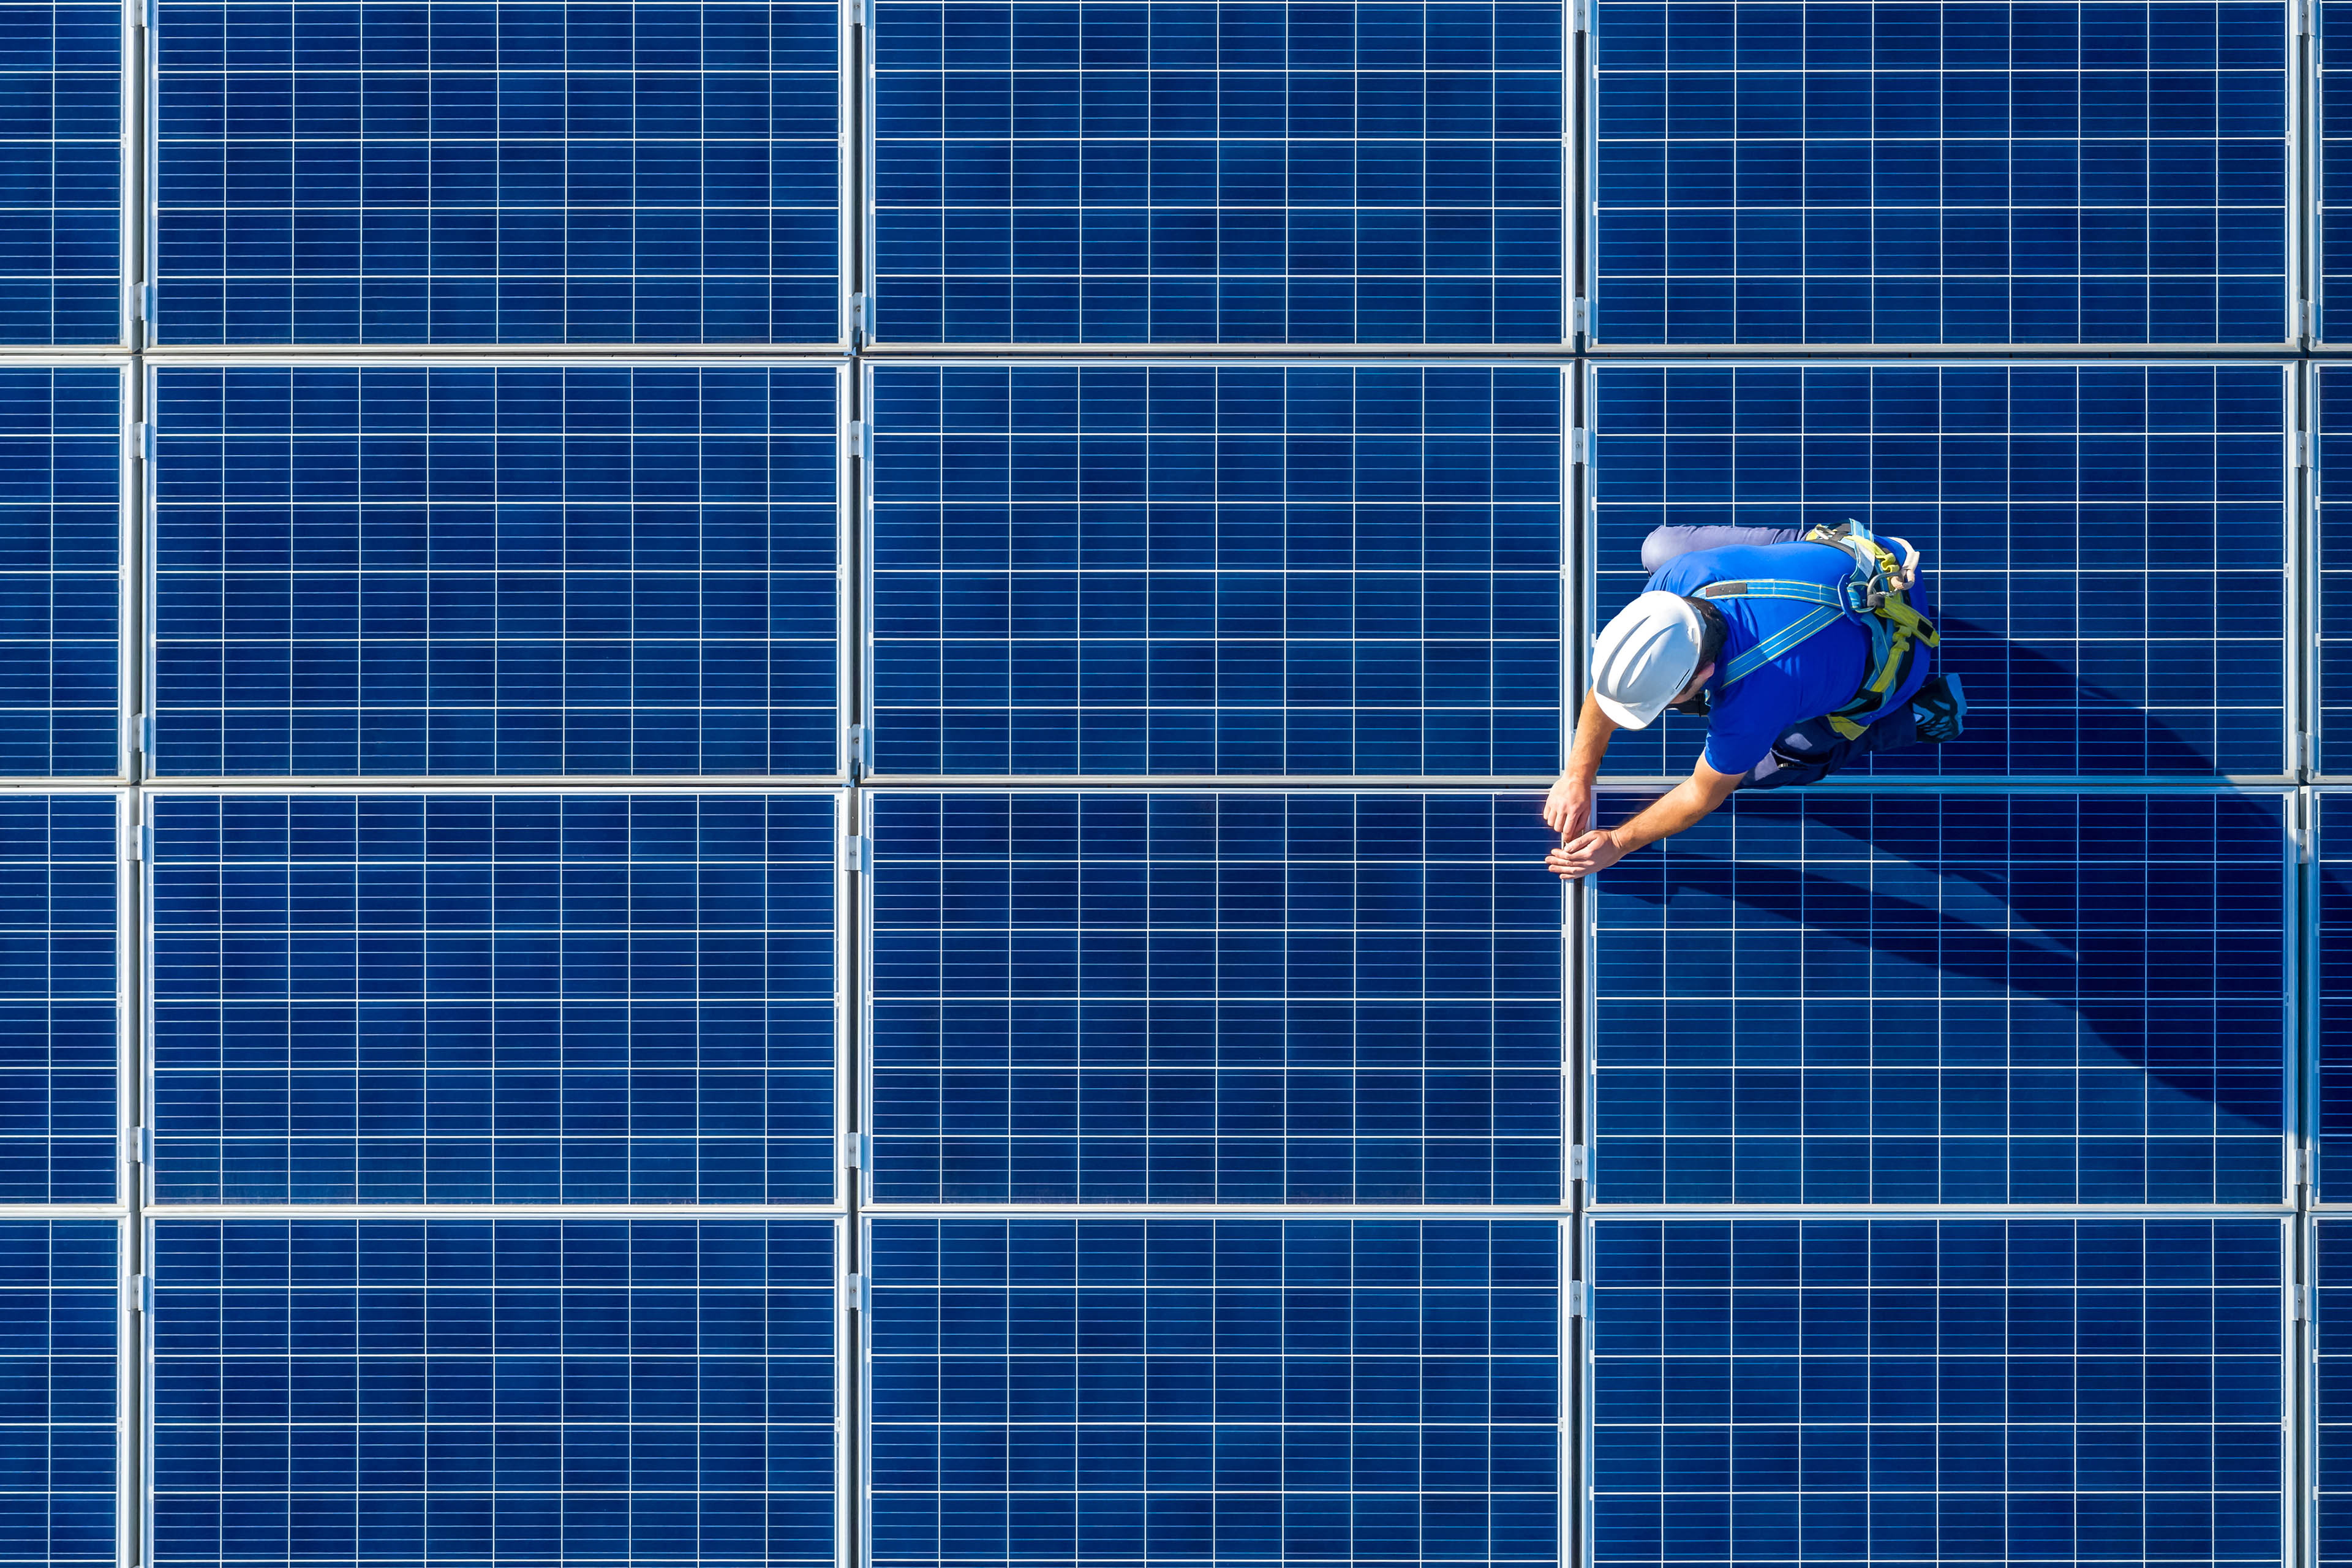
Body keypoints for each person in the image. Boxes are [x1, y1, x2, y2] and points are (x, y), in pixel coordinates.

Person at [1545, 522, 1966, 880]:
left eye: (1667, 701)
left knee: (1764, 767)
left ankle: (1916, 716)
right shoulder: (1675, 581)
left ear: (1706, 675)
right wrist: (1576, 776)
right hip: (1873, 557)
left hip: (1902, 655)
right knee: (1657, 546)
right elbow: (1614, 683)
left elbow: (1700, 795)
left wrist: (1619, 842)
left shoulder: (1751, 705)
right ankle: (1803, 552)